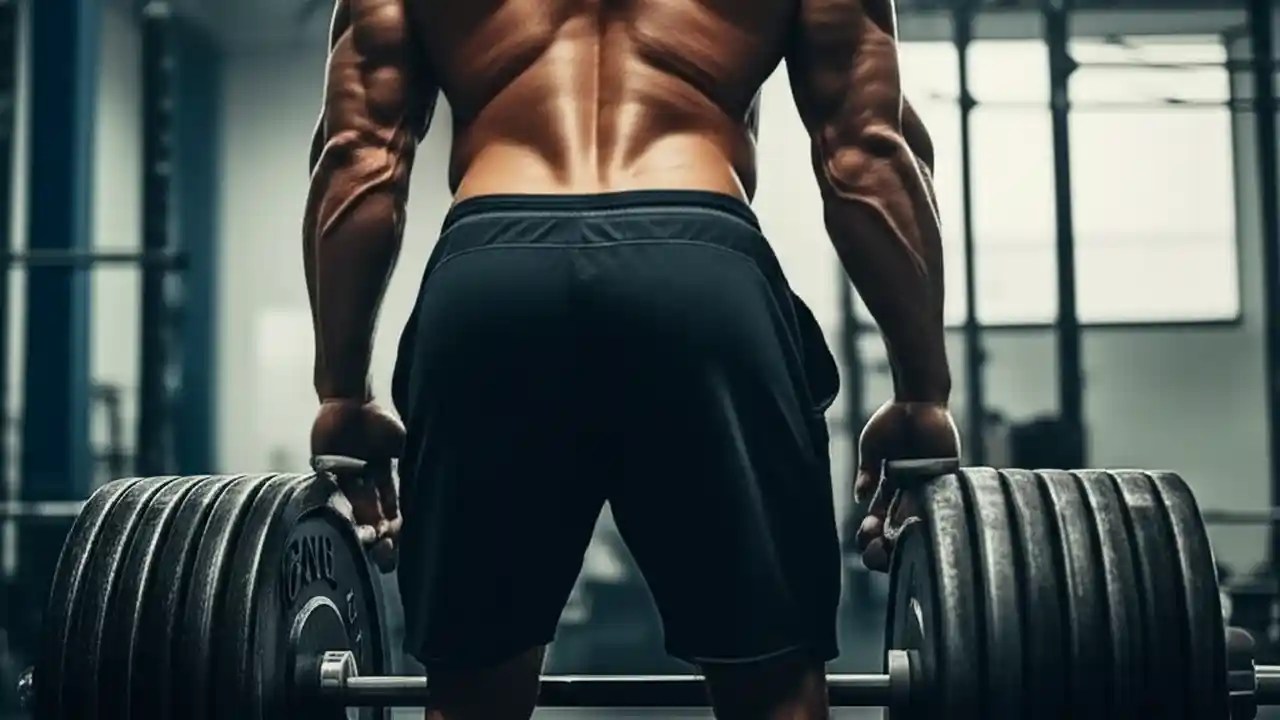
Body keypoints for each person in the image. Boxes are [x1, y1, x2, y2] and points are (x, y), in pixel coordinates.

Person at [303, 0, 961, 717]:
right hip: (698, 273)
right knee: (775, 693)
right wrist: (922, 394)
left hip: (492, 279)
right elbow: (866, 149)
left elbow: (357, 154)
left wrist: (341, 395)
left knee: (468, 696)